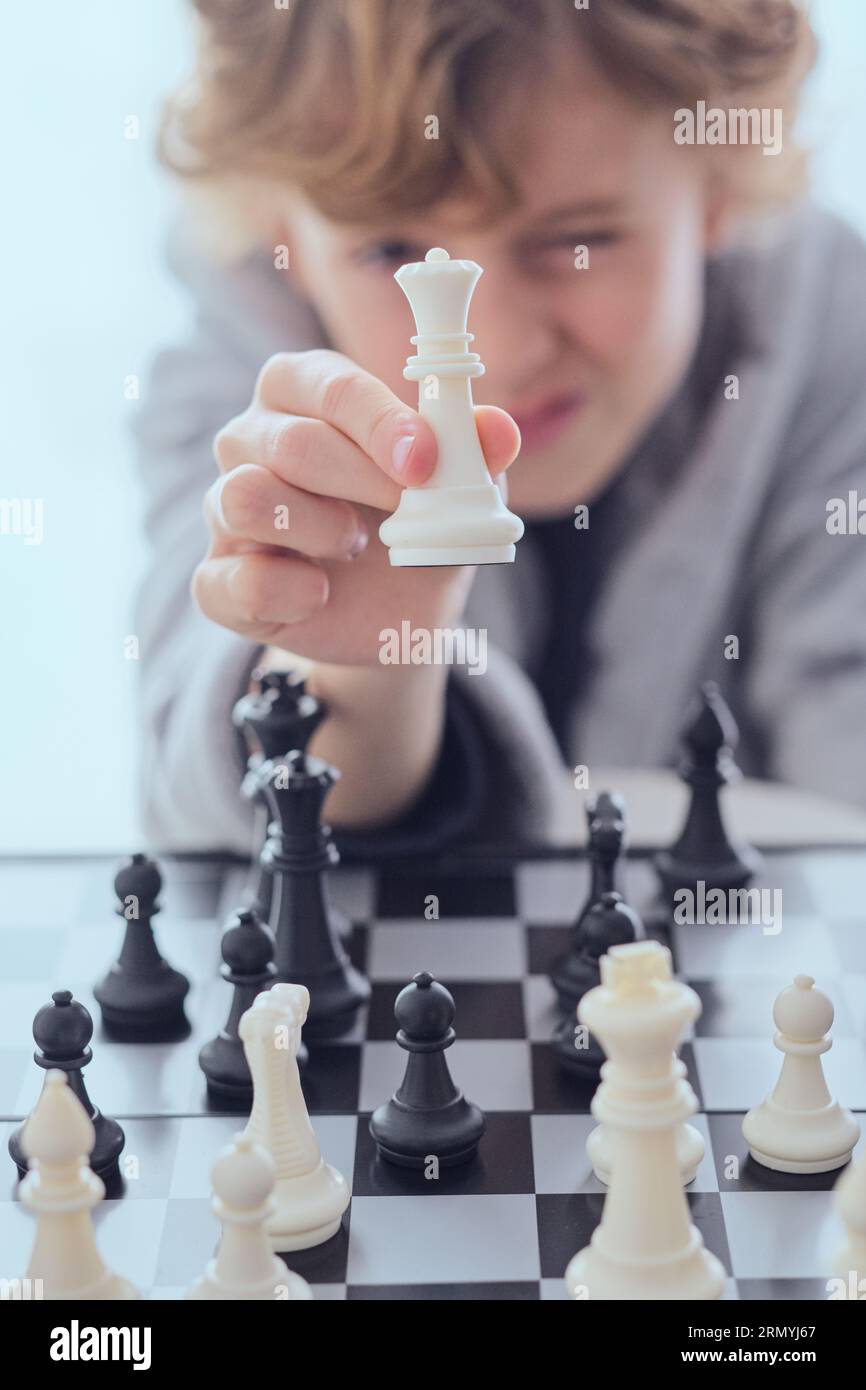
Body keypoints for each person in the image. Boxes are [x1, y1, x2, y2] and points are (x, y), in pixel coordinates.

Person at [133, 0, 866, 854]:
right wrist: (365, 667)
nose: (498, 350)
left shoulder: (832, 333)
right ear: (278, 227)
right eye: (390, 253)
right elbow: (195, 770)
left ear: (721, 186)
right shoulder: (242, 365)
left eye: (580, 241)